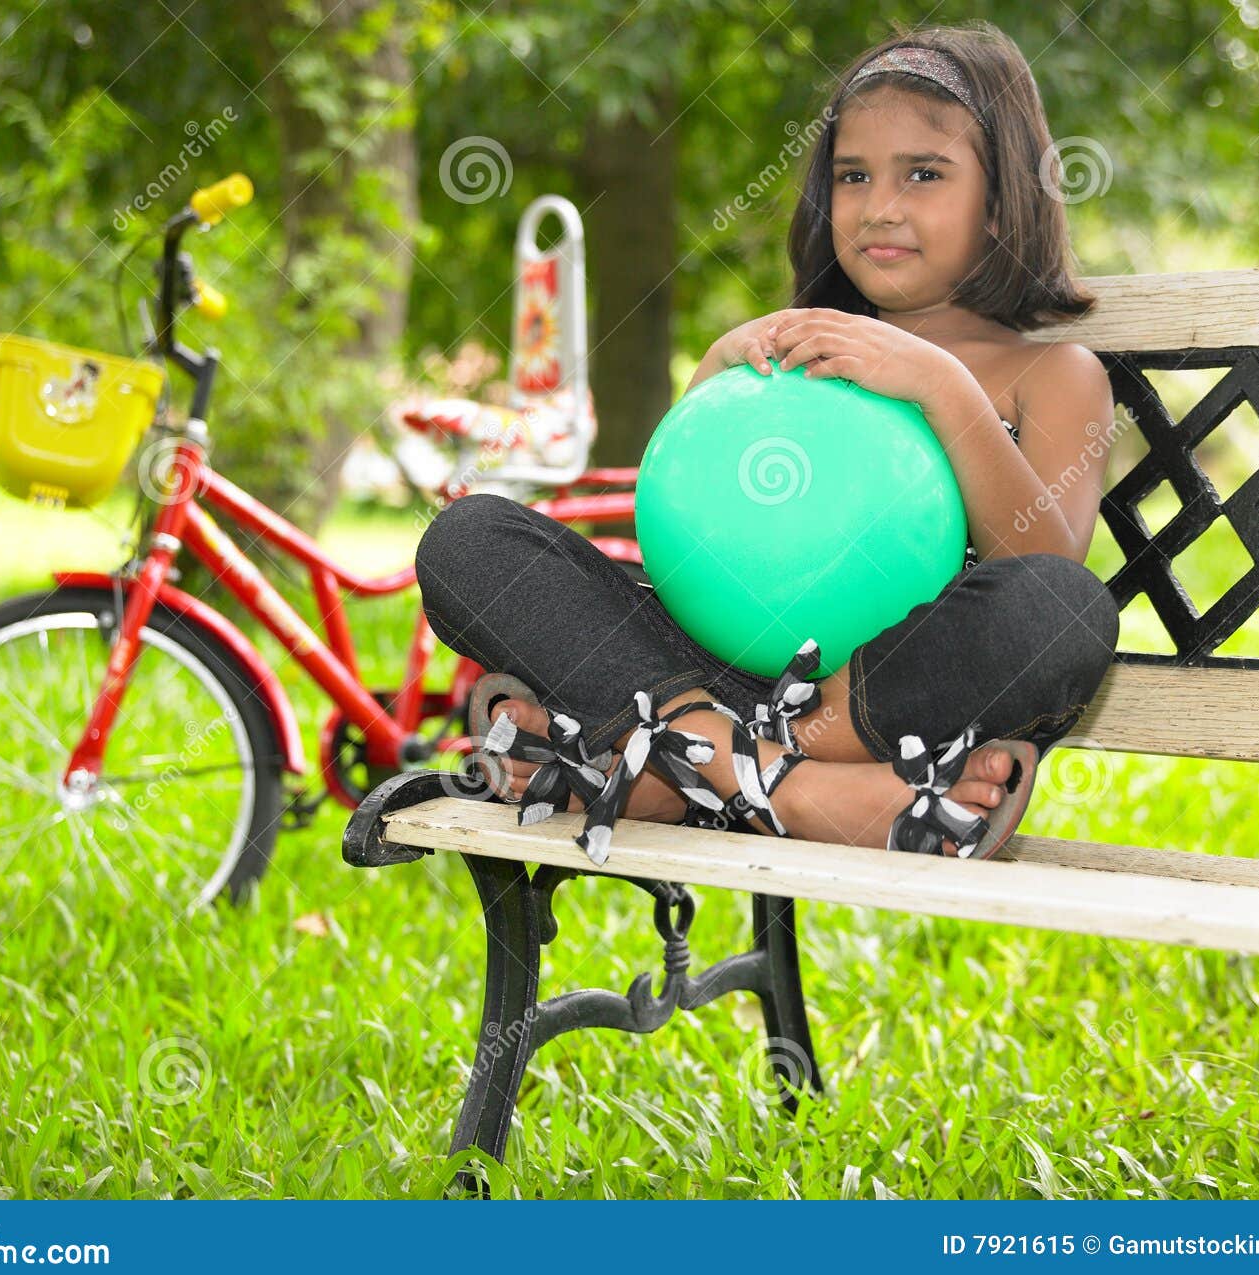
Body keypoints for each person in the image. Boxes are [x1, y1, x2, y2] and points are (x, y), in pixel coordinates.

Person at [415, 20, 1122, 866]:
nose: (881, 207)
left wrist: (942, 387)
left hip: (877, 699)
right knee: (470, 537)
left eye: (925, 174)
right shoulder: (795, 352)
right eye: (853, 176)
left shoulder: (1050, 374)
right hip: (716, 672)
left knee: (1064, 612)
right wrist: (711, 385)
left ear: (1003, 199)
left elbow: (1043, 559)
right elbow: (686, 556)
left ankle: (665, 765)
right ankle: (794, 789)